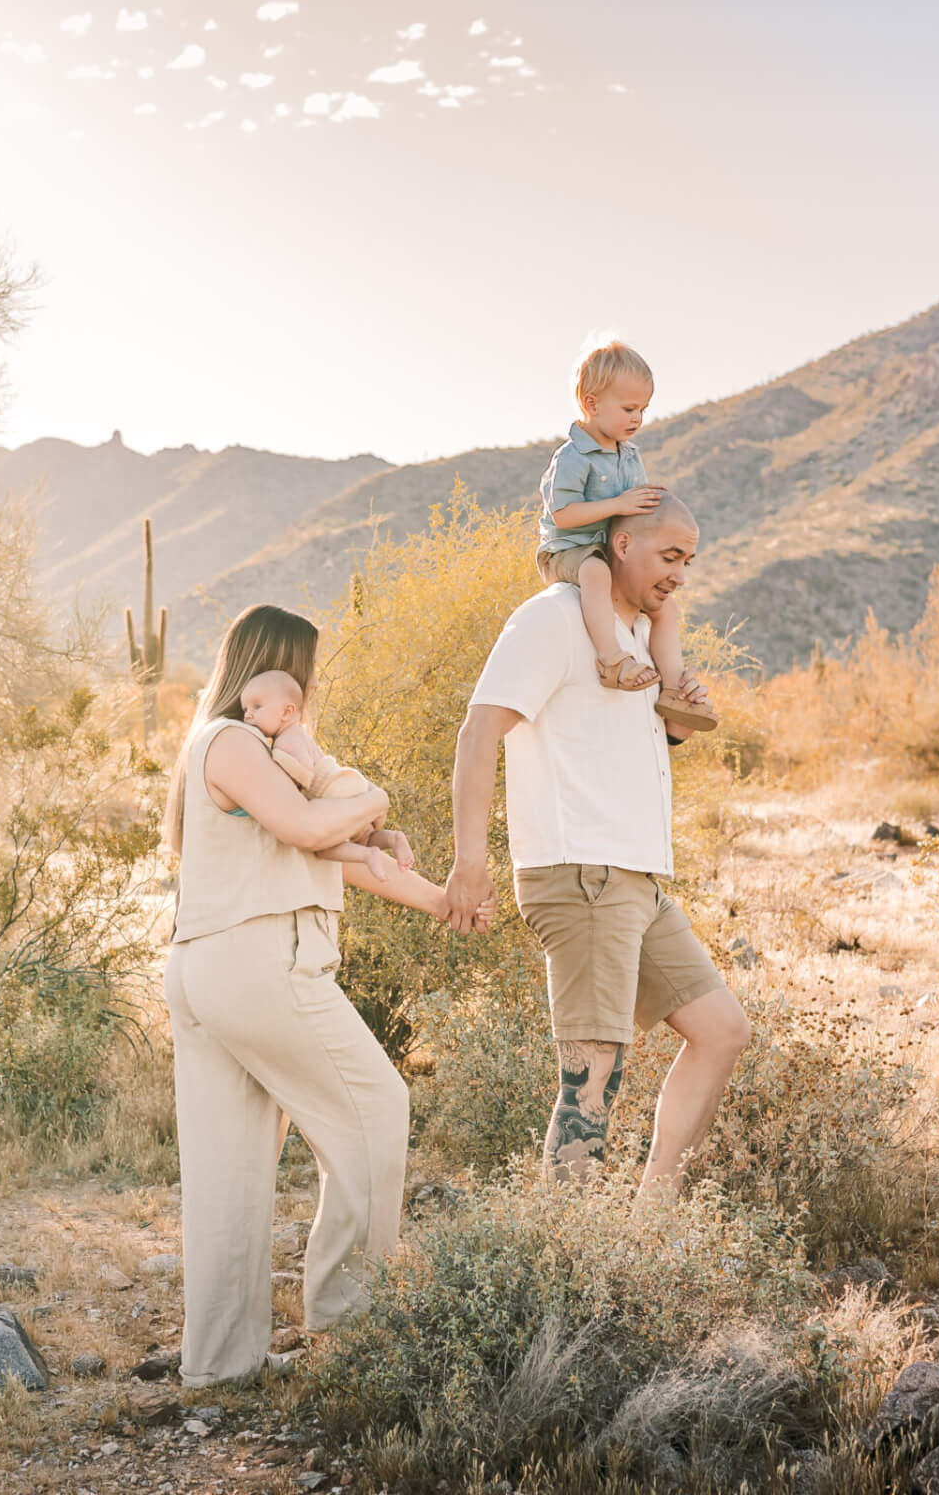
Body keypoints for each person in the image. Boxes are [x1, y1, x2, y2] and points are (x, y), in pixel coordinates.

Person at [162, 605, 491, 1387]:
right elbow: (311, 831)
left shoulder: (233, 753)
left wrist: (442, 898)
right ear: (277, 675)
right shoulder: (237, 743)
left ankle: (220, 1363)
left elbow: (337, 856)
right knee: (377, 1108)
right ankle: (353, 1318)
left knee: (230, 1169)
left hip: (210, 968)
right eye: (305, 676)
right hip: (257, 961)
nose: (309, 690)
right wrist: (369, 804)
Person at [442, 495, 750, 1191]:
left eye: (688, 562)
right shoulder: (553, 618)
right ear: (622, 543)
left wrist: (676, 718)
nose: (679, 575)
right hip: (579, 870)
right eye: (669, 557)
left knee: (721, 1030)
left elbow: (616, 746)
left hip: (634, 877)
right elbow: (479, 732)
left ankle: (648, 1221)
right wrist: (469, 861)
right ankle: (570, 1262)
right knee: (591, 1075)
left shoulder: (638, 639)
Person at [533, 339, 715, 731]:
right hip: (570, 550)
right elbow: (563, 515)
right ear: (593, 404)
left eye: (644, 410)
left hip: (609, 549)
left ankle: (673, 689)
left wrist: (654, 504)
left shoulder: (628, 455)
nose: (638, 419)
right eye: (630, 409)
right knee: (596, 572)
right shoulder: (572, 457)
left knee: (665, 607)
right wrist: (617, 506)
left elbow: (636, 515)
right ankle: (612, 660)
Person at [239, 667, 408, 882]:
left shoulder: (284, 742)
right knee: (364, 837)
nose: (248, 714)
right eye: (245, 708)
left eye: (257, 706)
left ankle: (368, 855)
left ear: (286, 712)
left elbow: (303, 772)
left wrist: (277, 776)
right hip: (349, 783)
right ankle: (394, 839)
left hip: (333, 789)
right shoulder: (300, 732)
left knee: (323, 848)